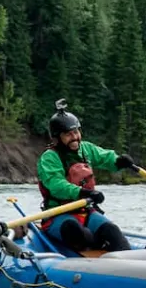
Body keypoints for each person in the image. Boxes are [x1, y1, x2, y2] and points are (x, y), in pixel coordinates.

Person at [36, 99, 134, 253]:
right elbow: (56, 185)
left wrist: (119, 161)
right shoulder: (49, 158)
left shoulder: (85, 149)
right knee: (74, 231)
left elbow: (105, 157)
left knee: (112, 230)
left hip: (86, 212)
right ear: (57, 138)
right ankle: (94, 244)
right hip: (58, 215)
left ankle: (123, 256)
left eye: (76, 132)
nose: (74, 137)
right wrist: (83, 193)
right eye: (68, 135)